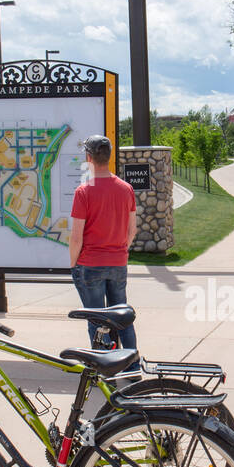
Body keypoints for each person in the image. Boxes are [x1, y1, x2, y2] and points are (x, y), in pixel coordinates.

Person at [69, 134, 138, 351]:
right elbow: (132, 230)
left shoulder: (83, 192)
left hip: (90, 265)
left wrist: (73, 264)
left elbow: (76, 236)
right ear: (108, 157)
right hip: (118, 263)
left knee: (97, 321)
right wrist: (119, 250)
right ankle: (132, 366)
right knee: (122, 317)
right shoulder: (126, 189)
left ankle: (107, 368)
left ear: (89, 158)